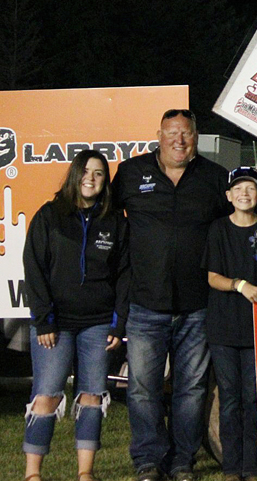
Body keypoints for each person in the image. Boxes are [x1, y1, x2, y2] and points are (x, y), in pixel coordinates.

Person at [113, 109, 230, 481]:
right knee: (143, 389)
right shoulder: (131, 173)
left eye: (186, 134)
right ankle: (148, 459)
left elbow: (234, 227)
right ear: (159, 135)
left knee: (191, 389)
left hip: (198, 304)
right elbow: (107, 220)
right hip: (146, 302)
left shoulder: (214, 177)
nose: (179, 140)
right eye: (171, 133)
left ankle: (182, 460)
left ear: (196, 136)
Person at [22, 150, 128, 481]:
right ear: (74, 174)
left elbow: (124, 274)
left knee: (92, 395)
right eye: (86, 171)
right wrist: (44, 319)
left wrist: (117, 322)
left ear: (105, 181)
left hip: (98, 323)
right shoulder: (50, 216)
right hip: (55, 324)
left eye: (99, 173)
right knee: (47, 394)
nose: (91, 178)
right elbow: (34, 268)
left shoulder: (115, 221)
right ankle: (33, 473)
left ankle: (85, 473)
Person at [202, 167, 257, 481]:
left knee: (254, 398)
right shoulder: (217, 229)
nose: (244, 194)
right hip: (224, 326)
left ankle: (253, 466)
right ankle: (230, 467)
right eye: (238, 189)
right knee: (229, 397)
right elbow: (212, 277)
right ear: (228, 196)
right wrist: (240, 285)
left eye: (250, 188)